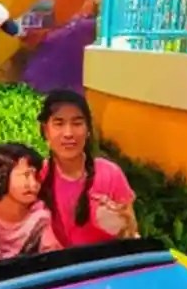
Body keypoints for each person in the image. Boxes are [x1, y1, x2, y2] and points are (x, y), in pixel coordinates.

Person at [37, 90, 139, 248]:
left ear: (88, 130)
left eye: (77, 123)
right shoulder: (37, 176)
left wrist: (118, 223)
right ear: (45, 131)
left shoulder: (110, 174)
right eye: (59, 123)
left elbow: (131, 233)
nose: (68, 133)